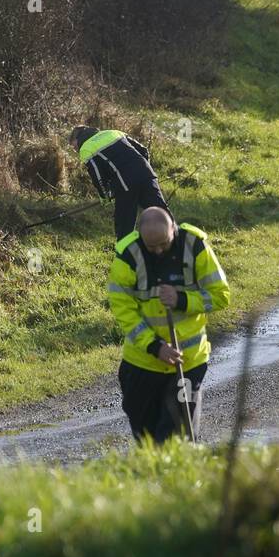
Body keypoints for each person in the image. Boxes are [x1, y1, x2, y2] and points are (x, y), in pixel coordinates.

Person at [108, 207, 230, 443]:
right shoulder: (127, 256)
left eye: (164, 244)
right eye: (151, 247)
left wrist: (182, 300)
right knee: (147, 441)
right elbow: (124, 311)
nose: (158, 251)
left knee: (175, 441)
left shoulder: (195, 247)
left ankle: (182, 476)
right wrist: (155, 346)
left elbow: (220, 295)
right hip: (142, 364)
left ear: (173, 228)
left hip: (188, 364)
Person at [70, 125, 172, 240]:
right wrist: (142, 173)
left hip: (125, 184)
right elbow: (143, 151)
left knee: (124, 225)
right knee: (161, 213)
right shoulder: (113, 132)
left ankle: (125, 255)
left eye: (74, 147)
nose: (75, 150)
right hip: (146, 174)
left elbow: (98, 176)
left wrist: (104, 196)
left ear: (77, 139)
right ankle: (178, 243)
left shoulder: (86, 148)